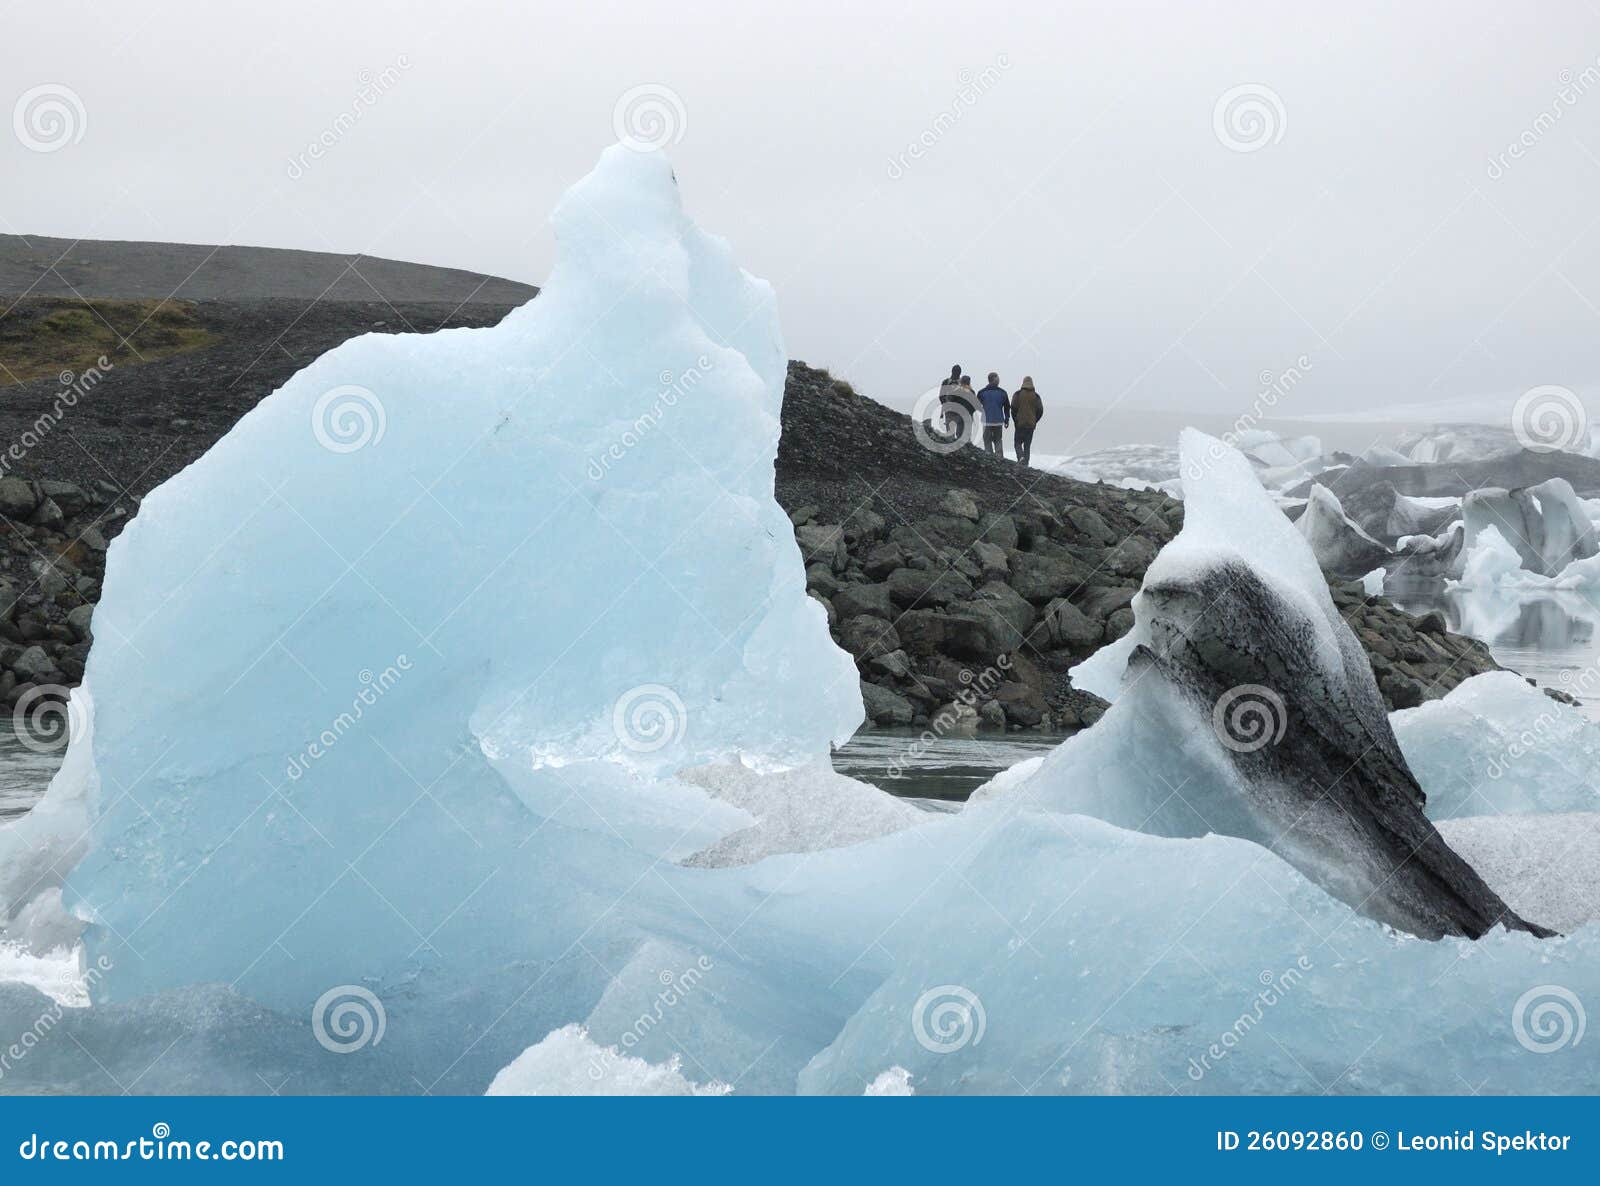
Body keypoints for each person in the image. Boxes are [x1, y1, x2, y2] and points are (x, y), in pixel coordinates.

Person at [1011, 376, 1044, 467]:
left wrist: (1015, 420)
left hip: (1020, 424)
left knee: (1017, 443)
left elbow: (1013, 408)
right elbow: (1040, 410)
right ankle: (1026, 464)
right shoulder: (1036, 396)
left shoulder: (1018, 394)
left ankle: (1020, 457)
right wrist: (1035, 421)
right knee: (1027, 445)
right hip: (1030, 425)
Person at [976, 372, 1010, 458]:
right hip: (998, 421)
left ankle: (989, 457)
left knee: (987, 440)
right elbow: (1007, 407)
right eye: (997, 378)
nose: (999, 380)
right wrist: (1007, 419)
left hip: (986, 421)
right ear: (993, 379)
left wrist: (984, 410)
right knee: (998, 440)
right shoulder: (1002, 392)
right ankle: (999, 458)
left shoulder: (981, 392)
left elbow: (976, 405)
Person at [937, 364, 966, 441]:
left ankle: (952, 446)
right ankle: (959, 446)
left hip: (950, 410)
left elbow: (941, 396)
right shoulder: (962, 382)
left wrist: (945, 403)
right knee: (959, 434)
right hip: (959, 410)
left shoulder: (946, 382)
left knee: (951, 434)